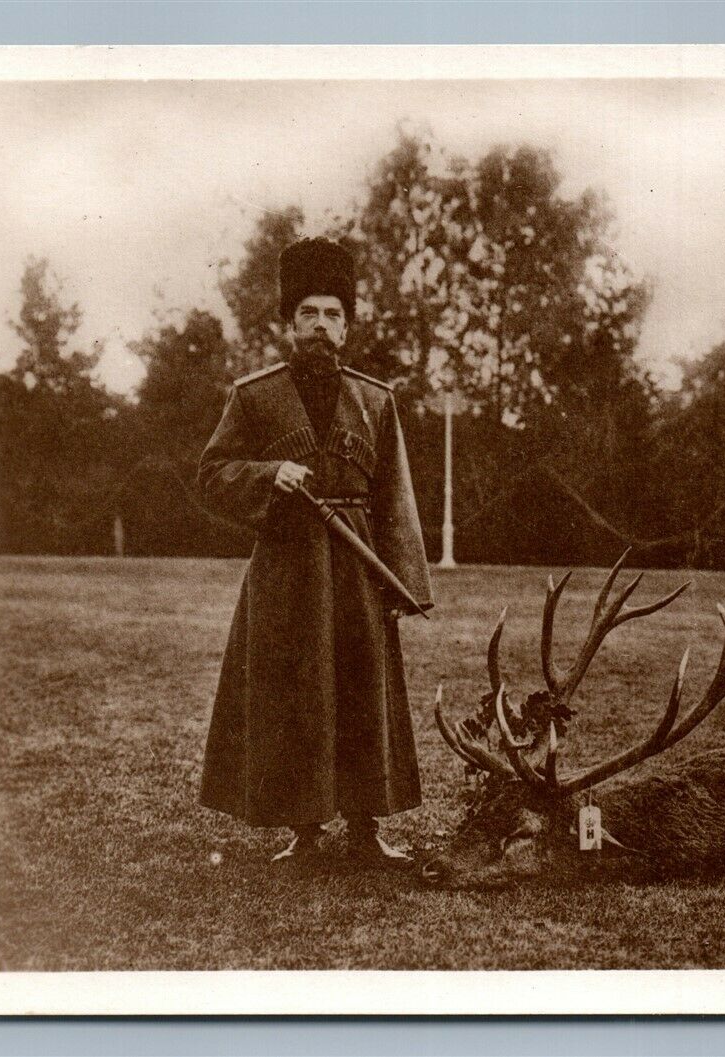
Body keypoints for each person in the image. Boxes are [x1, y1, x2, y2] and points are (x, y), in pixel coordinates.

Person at [196, 237, 434, 868]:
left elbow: (396, 496)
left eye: (333, 315)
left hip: (358, 572)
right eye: (309, 314)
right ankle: (303, 831)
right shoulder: (252, 396)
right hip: (286, 571)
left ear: (347, 328)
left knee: (362, 691)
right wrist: (267, 473)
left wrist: (405, 582)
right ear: (289, 324)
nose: (321, 326)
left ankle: (366, 829)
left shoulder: (376, 399)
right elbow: (211, 475)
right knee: (292, 692)